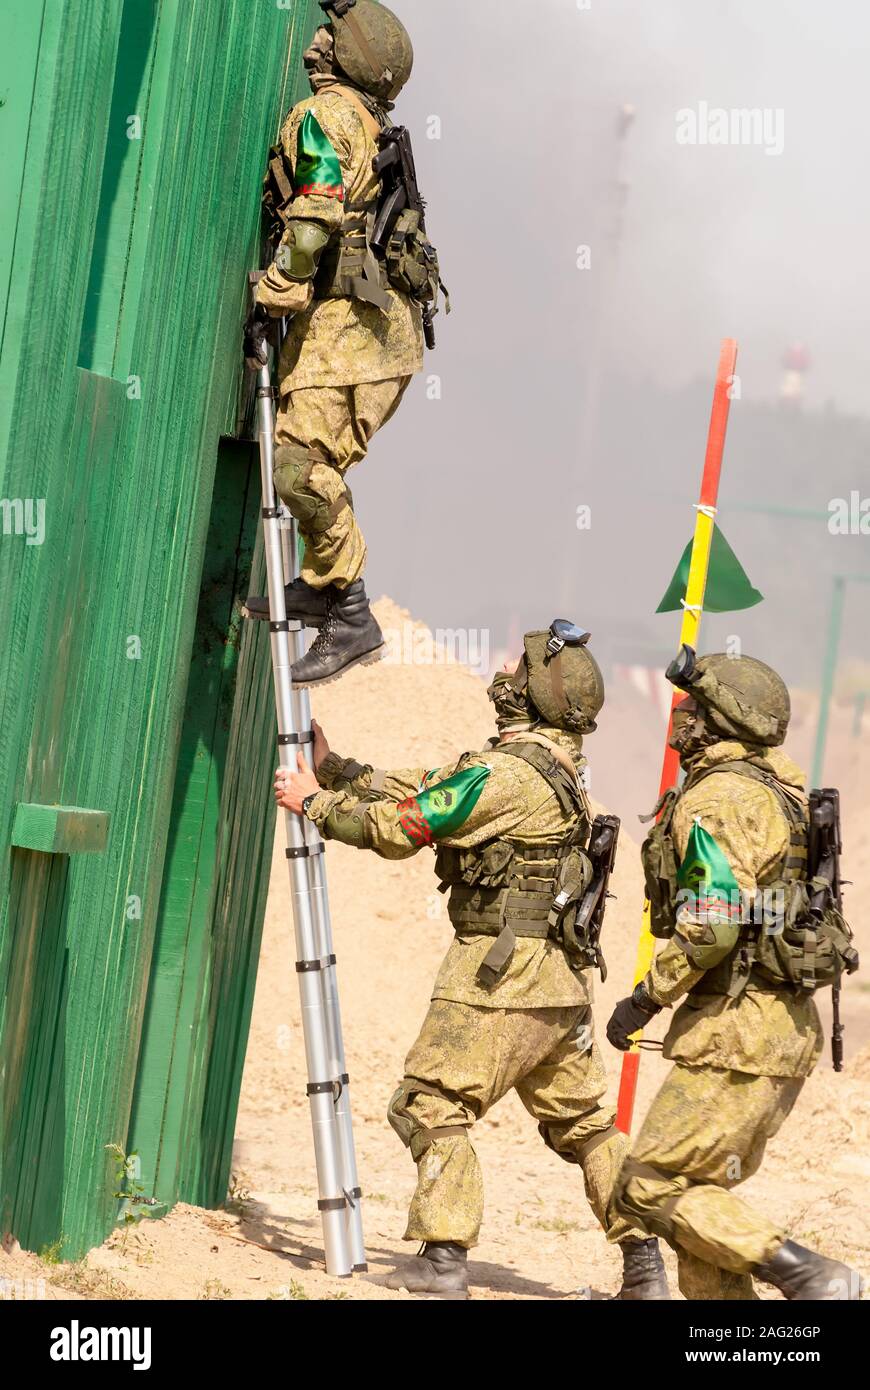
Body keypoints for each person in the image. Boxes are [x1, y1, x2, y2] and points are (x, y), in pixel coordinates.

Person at [275, 621, 670, 1300]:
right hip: (557, 984)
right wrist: (340, 770)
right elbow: (431, 784)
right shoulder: (553, 769)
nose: (508, 680)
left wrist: (315, 802)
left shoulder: (509, 774)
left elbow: (408, 825)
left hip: (495, 974)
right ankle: (646, 1269)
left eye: (521, 673)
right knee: (586, 1126)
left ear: (537, 696)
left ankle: (444, 1259)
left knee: (429, 1104)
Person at [607, 648, 861, 1301]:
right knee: (699, 1209)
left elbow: (713, 925)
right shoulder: (779, 794)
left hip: (735, 1034)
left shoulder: (720, 799)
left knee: (650, 1186)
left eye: (692, 707)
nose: (679, 716)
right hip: (778, 1032)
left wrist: (645, 998)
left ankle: (808, 1271)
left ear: (717, 720)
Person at [245, 1, 444, 686]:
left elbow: (314, 221)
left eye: (328, 32)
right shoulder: (366, 118)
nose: (315, 41)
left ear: (347, 53)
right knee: (314, 460)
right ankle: (326, 586)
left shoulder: (330, 116)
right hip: (373, 337)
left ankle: (350, 611)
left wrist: (275, 287)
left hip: (353, 336)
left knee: (296, 465)